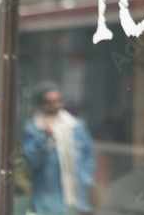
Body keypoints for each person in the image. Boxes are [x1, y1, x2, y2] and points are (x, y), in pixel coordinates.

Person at [21, 81, 95, 215]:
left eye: (59, 100)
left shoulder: (75, 124)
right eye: (49, 102)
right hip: (48, 194)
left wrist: (86, 177)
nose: (55, 105)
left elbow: (88, 152)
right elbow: (31, 161)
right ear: (41, 104)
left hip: (76, 191)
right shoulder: (32, 128)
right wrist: (44, 137)